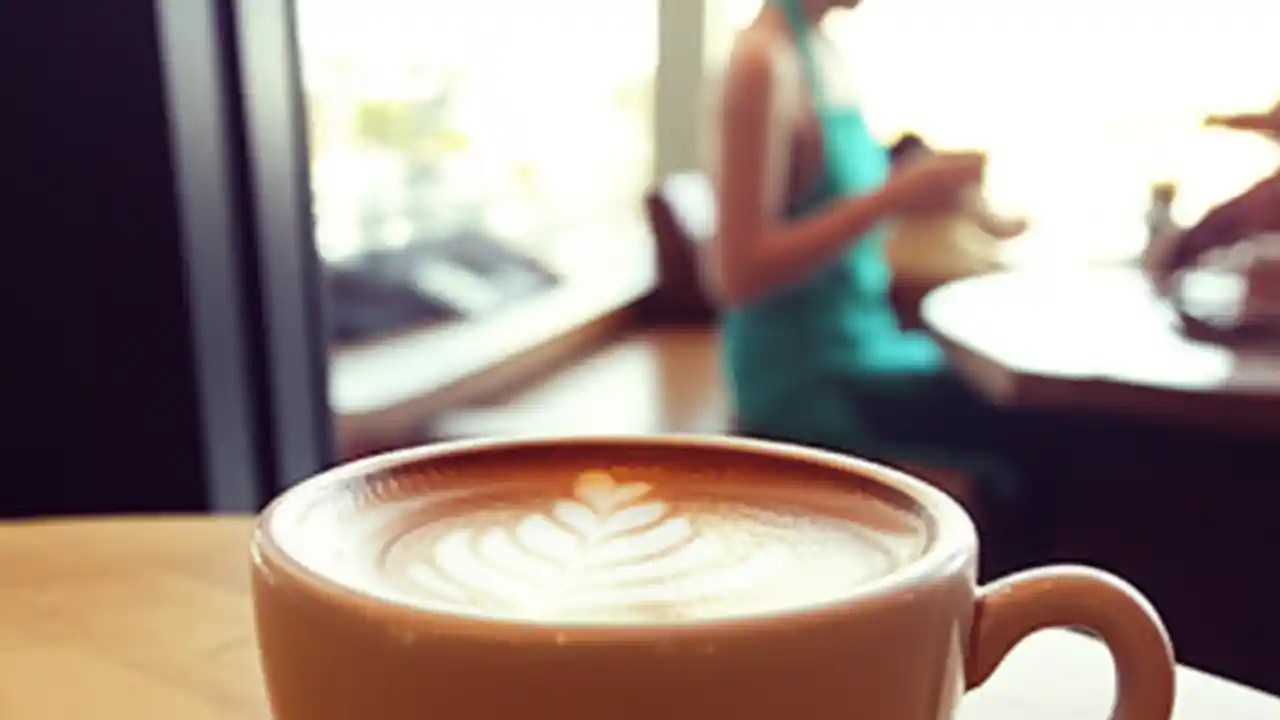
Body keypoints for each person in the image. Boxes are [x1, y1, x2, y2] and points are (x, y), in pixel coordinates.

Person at [705, 0, 1037, 511]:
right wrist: (894, 196)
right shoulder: (761, 63)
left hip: (865, 341)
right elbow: (738, 272)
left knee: (1006, 405)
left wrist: (920, 186)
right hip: (807, 375)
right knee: (1023, 433)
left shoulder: (821, 48)